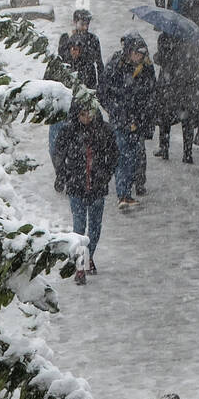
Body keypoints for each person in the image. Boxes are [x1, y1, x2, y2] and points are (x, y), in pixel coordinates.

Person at [54, 93, 118, 284]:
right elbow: (59, 154)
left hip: (97, 186)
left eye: (89, 114)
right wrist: (63, 175)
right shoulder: (69, 132)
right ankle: (81, 265)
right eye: (83, 114)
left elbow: (114, 155)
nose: (86, 118)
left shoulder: (104, 131)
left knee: (95, 227)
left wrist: (105, 175)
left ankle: (88, 256)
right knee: (80, 228)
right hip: (76, 186)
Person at [46, 10, 104, 190]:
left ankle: (67, 174)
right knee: (56, 144)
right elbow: (48, 79)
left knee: (74, 144)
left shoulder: (91, 48)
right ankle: (61, 173)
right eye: (81, 22)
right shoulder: (63, 48)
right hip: (61, 106)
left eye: (87, 23)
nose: (84, 26)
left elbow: (97, 69)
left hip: (78, 107)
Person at [98, 32, 156, 210]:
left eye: (141, 54)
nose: (138, 57)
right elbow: (102, 92)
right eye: (136, 53)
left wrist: (146, 114)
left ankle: (127, 192)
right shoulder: (116, 66)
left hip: (138, 120)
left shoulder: (146, 69)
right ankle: (123, 193)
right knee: (122, 156)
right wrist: (116, 110)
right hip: (121, 120)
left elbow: (152, 92)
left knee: (134, 157)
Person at [151, 33, 199, 164]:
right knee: (186, 120)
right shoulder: (190, 39)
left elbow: (160, 58)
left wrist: (157, 57)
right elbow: (195, 62)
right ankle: (187, 153)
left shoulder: (164, 37)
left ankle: (164, 148)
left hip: (169, 85)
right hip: (185, 86)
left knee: (165, 117)